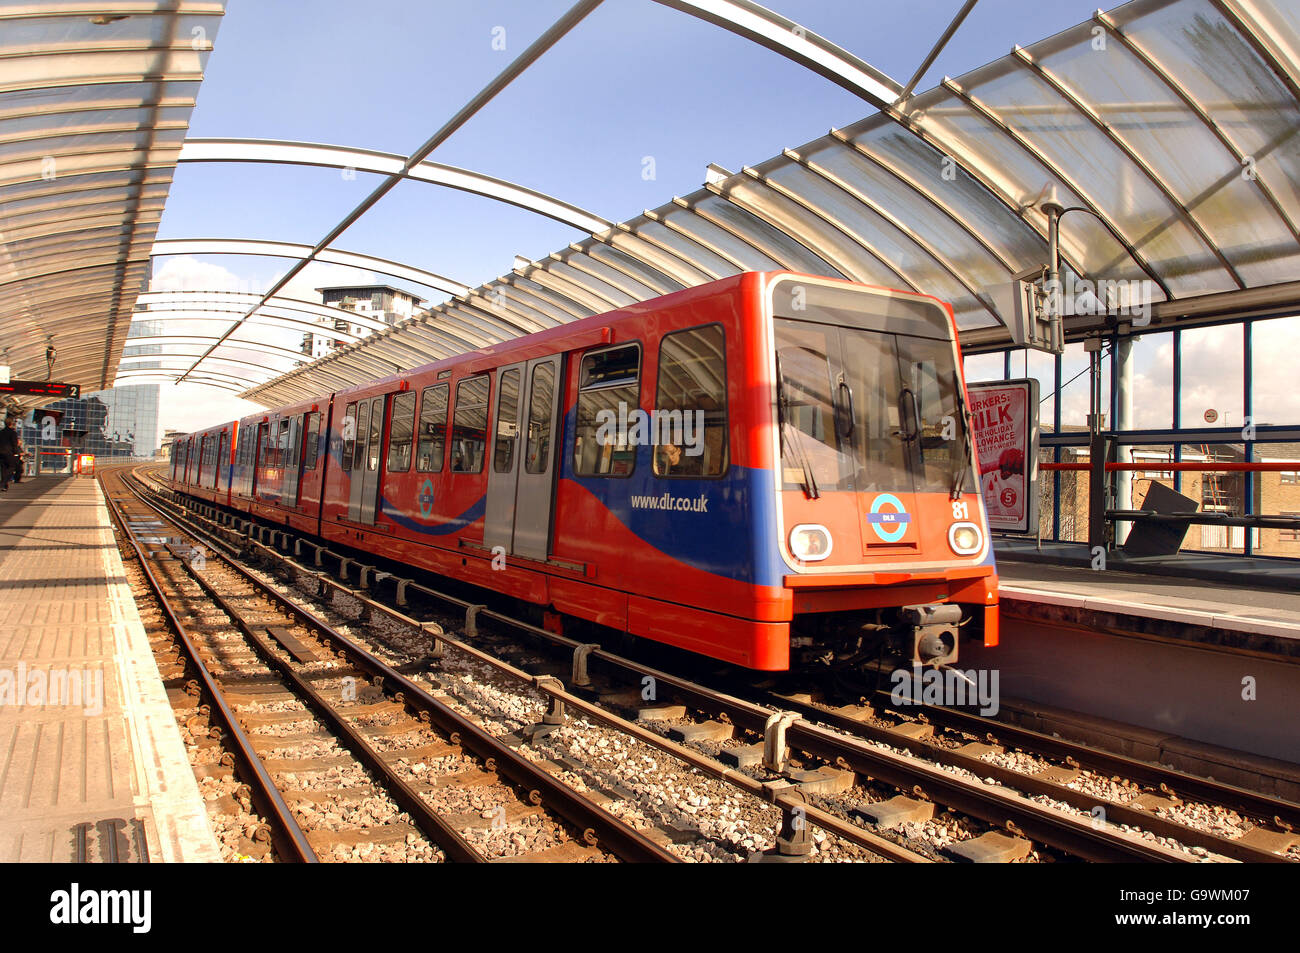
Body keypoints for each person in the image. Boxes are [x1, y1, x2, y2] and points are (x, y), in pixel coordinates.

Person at [0, 417, 19, 491]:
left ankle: (4, 485)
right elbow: (15, 444)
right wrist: (16, 453)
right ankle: (3, 483)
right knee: (12, 467)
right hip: (9, 453)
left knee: (3, 469)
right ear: (12, 424)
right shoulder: (13, 433)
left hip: (1, 453)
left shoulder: (1, 432)